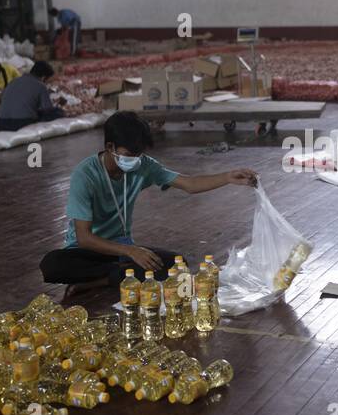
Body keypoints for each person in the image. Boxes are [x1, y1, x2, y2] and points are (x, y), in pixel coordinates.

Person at [40, 111, 258, 293]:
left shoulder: (142, 165)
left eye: (139, 154)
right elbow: (85, 238)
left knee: (176, 263)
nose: (134, 160)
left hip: (120, 251)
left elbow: (189, 183)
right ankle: (115, 274)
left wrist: (227, 177)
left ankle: (103, 280)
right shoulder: (85, 175)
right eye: (128, 154)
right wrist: (132, 252)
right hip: (87, 252)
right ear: (109, 147)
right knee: (52, 264)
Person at [0, 61, 63, 131]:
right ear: (43, 77)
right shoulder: (40, 85)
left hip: (2, 122)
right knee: (56, 112)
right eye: (47, 81)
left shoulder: (14, 81)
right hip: (21, 123)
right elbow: (48, 110)